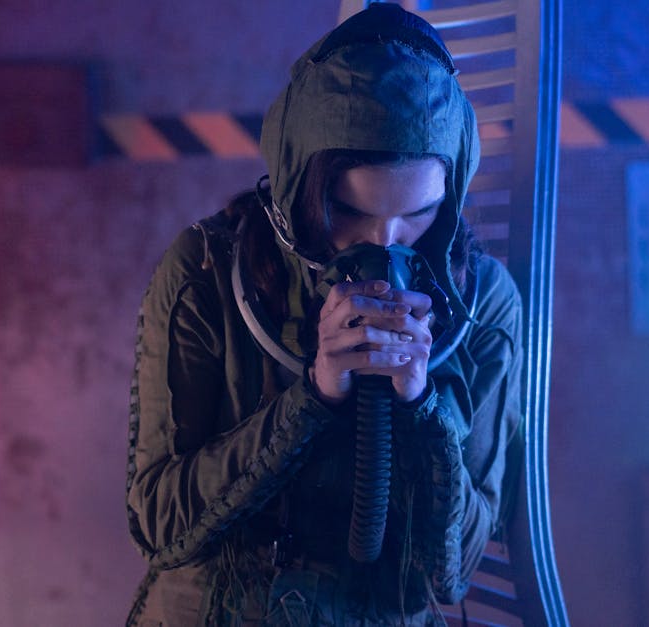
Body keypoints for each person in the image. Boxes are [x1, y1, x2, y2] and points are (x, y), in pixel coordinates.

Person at [125, 3, 523, 625]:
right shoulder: (205, 271)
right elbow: (157, 522)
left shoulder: (484, 306)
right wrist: (311, 397)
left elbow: (455, 570)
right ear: (297, 191)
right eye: (350, 212)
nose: (385, 246)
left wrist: (421, 404)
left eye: (416, 217)